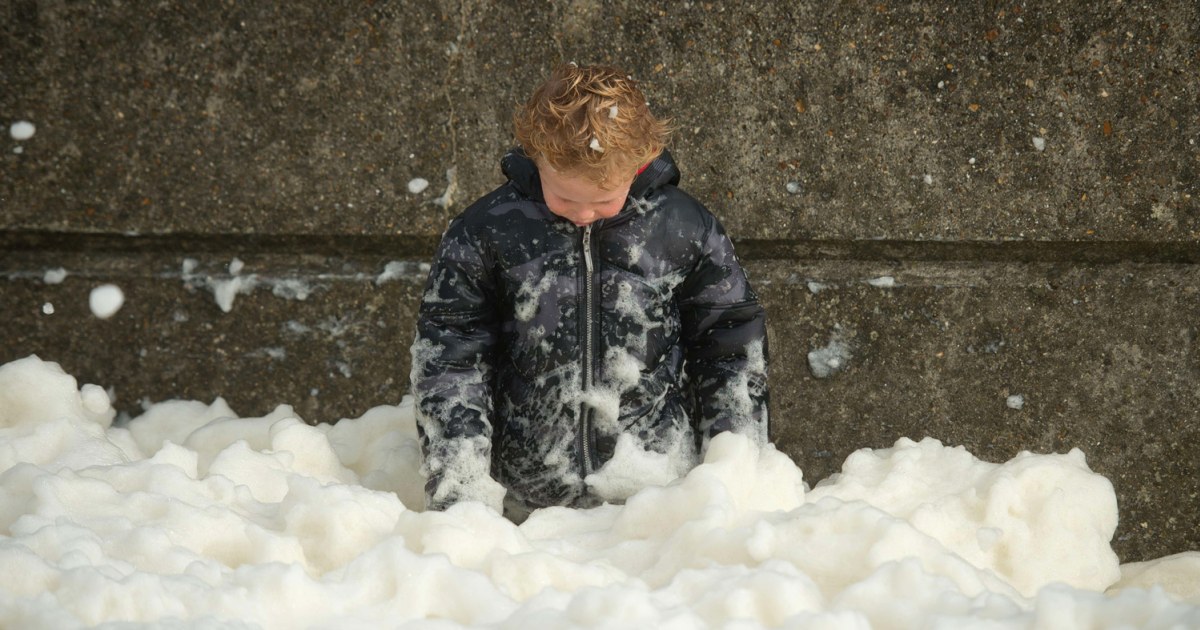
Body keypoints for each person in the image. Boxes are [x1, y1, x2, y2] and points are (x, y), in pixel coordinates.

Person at [410, 63, 769, 519]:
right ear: (536, 157)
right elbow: (449, 356)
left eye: (602, 201)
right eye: (563, 197)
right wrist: (460, 490)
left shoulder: (685, 229)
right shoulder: (486, 231)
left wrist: (737, 471)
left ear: (641, 160)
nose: (582, 214)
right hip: (524, 502)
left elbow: (731, 344)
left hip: (654, 498)